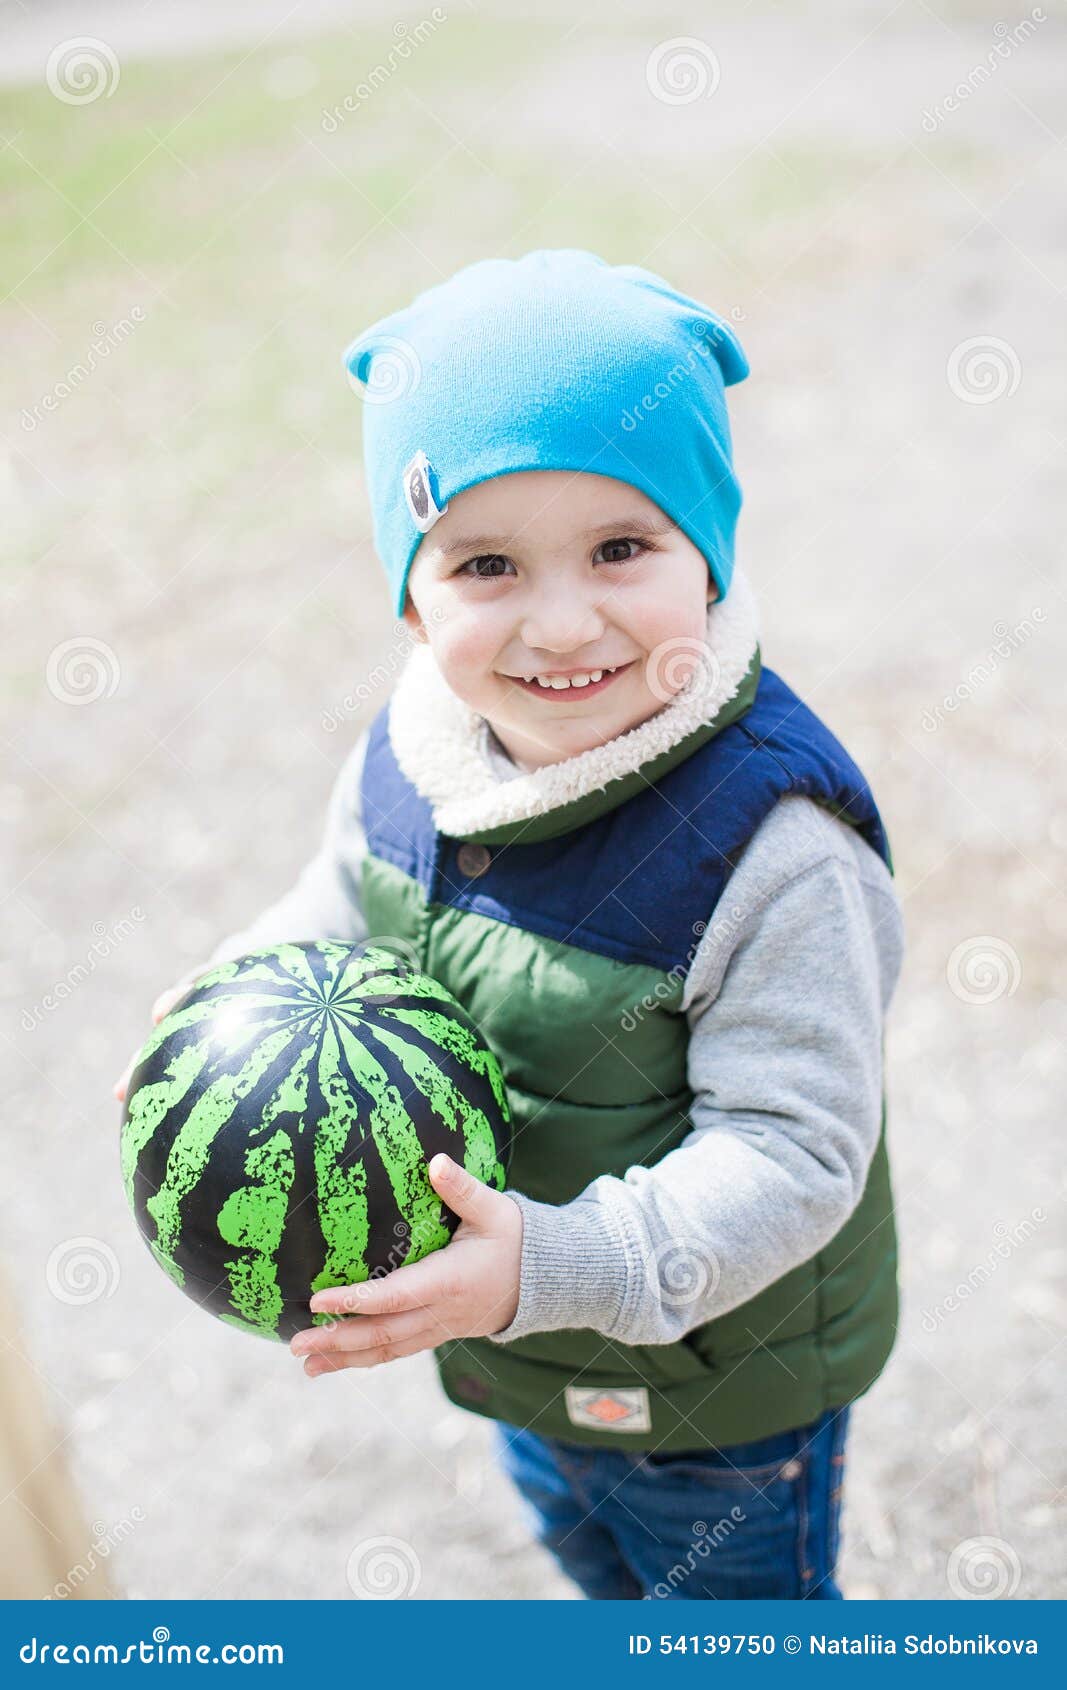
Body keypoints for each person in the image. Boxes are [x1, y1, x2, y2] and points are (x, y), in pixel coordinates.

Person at [116, 250, 904, 1600]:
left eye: (622, 547)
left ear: (708, 552)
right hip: (520, 1359)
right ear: (412, 593)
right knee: (591, 1571)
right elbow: (345, 904)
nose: (561, 621)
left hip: (723, 1401)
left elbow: (792, 1153)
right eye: (486, 562)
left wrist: (549, 1263)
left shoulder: (775, 850)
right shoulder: (411, 760)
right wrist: (237, 986)